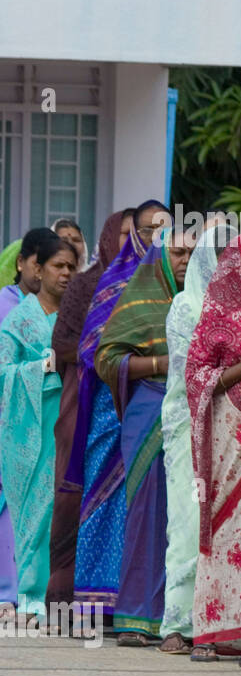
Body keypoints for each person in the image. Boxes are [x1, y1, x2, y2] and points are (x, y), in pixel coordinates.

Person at [95, 226, 193, 644]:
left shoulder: (204, 304)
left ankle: (180, 616)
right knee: (148, 509)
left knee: (186, 515)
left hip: (192, 412)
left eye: (191, 254)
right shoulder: (138, 301)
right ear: (159, 258)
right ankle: (137, 616)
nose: (185, 261)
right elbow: (106, 358)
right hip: (149, 410)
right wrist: (160, 363)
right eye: (176, 254)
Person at [71, 201, 166, 620]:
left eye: (167, 232)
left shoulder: (183, 285)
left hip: (166, 411)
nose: (156, 240)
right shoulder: (113, 283)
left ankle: (147, 602)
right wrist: (155, 363)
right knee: (104, 502)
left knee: (151, 507)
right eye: (148, 231)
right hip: (113, 409)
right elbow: (91, 350)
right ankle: (96, 601)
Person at [185, 235, 241, 659]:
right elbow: (197, 375)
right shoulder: (218, 310)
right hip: (225, 431)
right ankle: (210, 626)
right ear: (238, 262)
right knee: (222, 524)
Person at [48, 211, 133, 622]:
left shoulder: (154, 285)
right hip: (90, 405)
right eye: (126, 234)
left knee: (132, 504)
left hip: (135, 404)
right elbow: (62, 342)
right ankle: (78, 599)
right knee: (84, 500)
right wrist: (101, 352)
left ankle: (127, 600)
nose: (134, 241)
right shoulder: (86, 282)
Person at [0, 232, 77, 623]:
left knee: (62, 506)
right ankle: (30, 595)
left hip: (69, 421)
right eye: (57, 266)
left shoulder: (77, 315)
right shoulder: (19, 319)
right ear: (38, 268)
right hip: (29, 427)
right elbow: (1, 374)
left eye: (71, 267)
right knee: (34, 509)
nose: (65, 274)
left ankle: (59, 595)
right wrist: (40, 368)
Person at [156, 224, 224, 655]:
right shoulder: (186, 306)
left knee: (225, 524)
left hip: (231, 430)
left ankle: (216, 621)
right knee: (186, 522)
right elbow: (188, 373)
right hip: (188, 425)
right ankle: (176, 622)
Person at [0, 234, 46, 615]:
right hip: (11, 418)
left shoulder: (66, 308)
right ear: (22, 263)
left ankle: (33, 593)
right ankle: (8, 591)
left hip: (50, 418)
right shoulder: (7, 307)